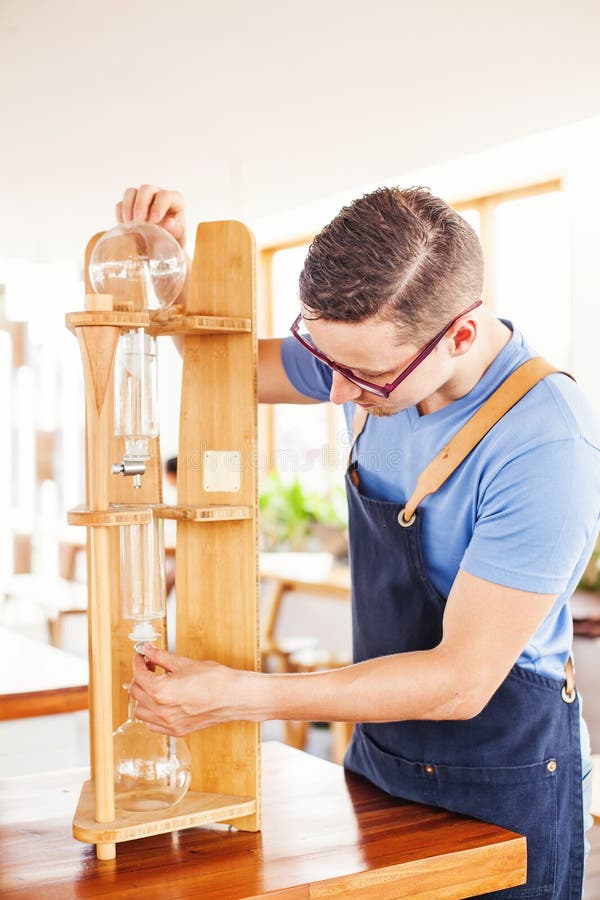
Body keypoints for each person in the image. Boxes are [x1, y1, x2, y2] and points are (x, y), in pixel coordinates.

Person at [121, 184, 600, 898]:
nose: (337, 396)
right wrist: (171, 282)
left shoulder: (545, 441)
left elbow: (460, 682)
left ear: (460, 336)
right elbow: (220, 367)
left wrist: (237, 696)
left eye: (368, 378)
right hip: (383, 752)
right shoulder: (369, 354)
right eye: (327, 363)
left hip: (505, 768)